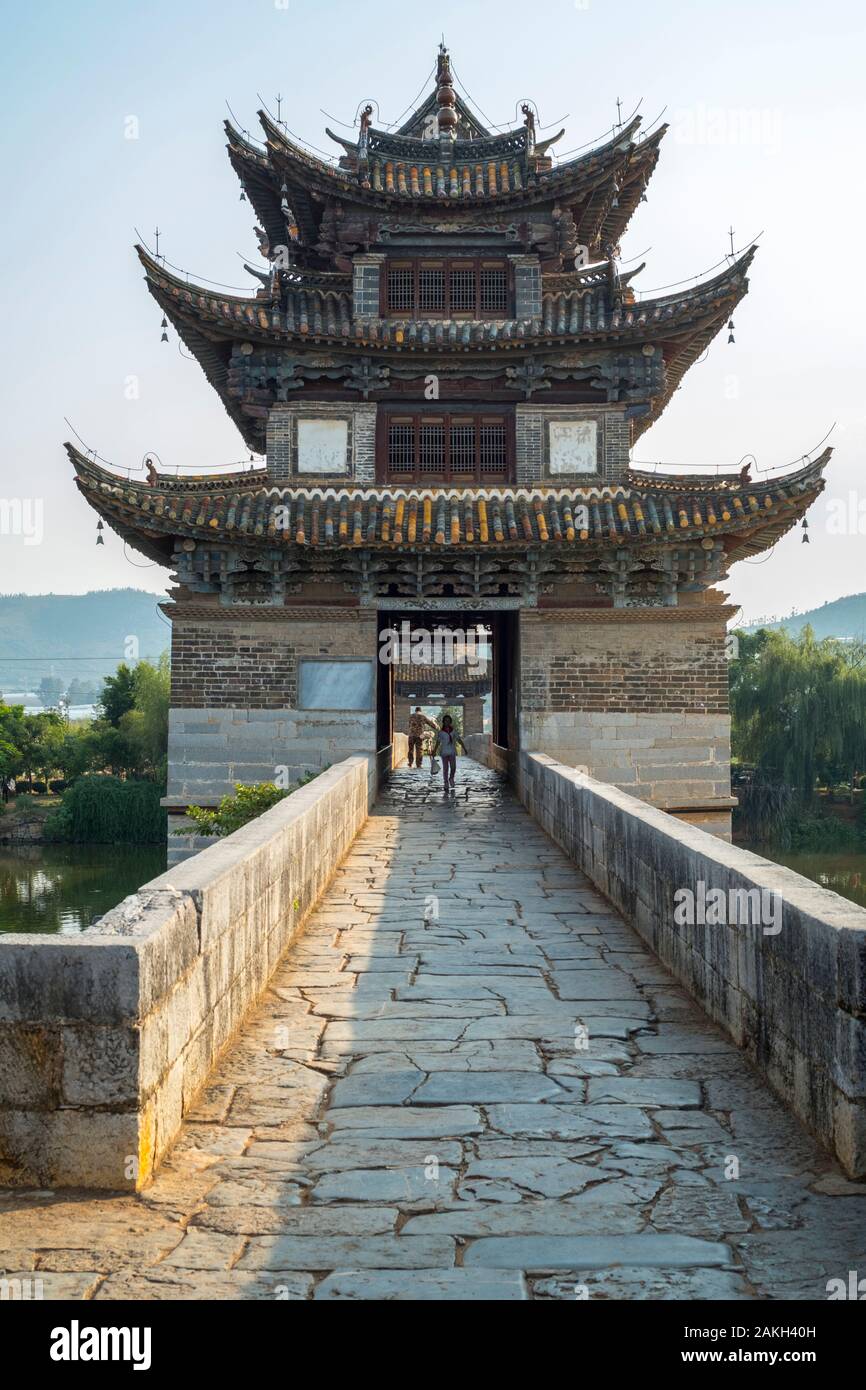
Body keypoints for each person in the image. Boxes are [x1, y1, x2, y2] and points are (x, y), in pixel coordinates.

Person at [431, 715, 467, 792]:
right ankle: (446, 782)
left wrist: (464, 747)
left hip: (452, 752)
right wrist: (434, 751)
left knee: (453, 767)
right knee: (445, 768)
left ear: (450, 722)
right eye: (445, 721)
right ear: (443, 722)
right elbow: (438, 742)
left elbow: (458, 739)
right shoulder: (441, 732)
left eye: (448, 721)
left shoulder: (453, 731)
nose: (447, 722)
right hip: (444, 752)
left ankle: (451, 778)